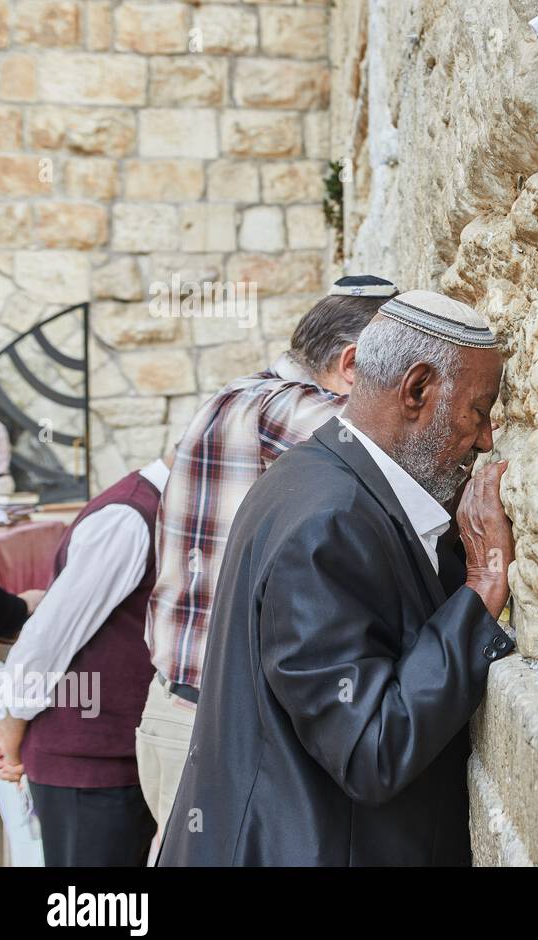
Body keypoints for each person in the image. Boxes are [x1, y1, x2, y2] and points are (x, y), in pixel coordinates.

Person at [158, 290, 516, 866]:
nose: (485, 439)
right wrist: (482, 588)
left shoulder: (326, 478)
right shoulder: (329, 520)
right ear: (418, 389)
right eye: (478, 411)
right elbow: (370, 749)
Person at [138, 275, 397, 846]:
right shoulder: (304, 416)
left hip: (171, 708)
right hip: (219, 729)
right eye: (402, 378)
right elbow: (405, 463)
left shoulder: (229, 396)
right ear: (353, 365)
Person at [0, 453, 172, 865]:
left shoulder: (163, 509)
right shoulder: (129, 518)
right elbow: (46, 637)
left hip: (117, 757)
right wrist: (13, 723)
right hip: (87, 765)